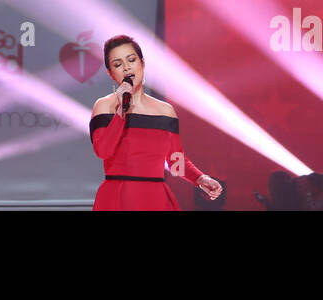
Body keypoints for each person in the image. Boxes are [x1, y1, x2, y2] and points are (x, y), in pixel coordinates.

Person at [88, 35, 222, 210]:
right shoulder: (104, 105)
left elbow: (176, 161)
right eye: (118, 64)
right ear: (110, 73)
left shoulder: (165, 111)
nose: (127, 67)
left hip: (156, 198)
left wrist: (200, 179)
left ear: (142, 63)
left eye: (131, 60)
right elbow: (103, 150)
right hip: (118, 197)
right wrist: (121, 111)